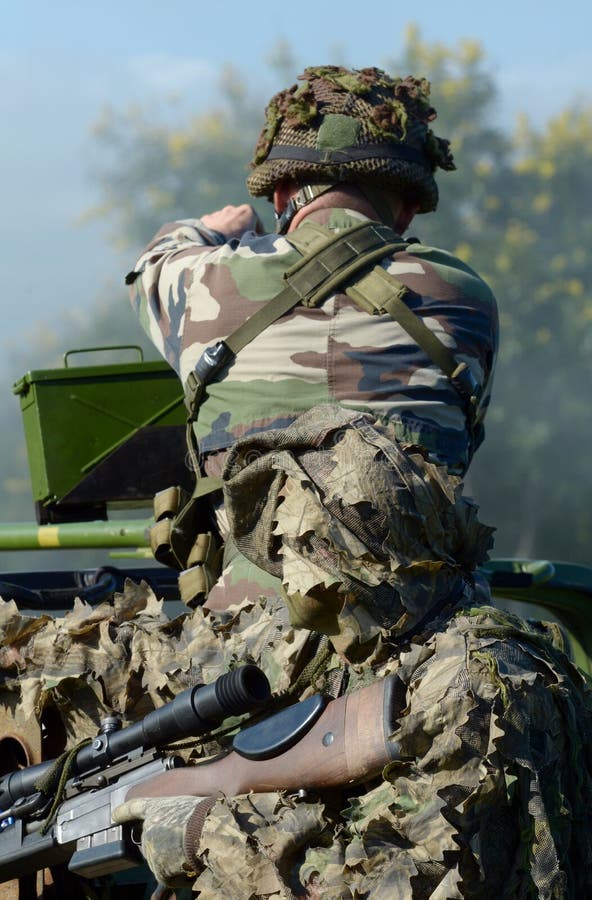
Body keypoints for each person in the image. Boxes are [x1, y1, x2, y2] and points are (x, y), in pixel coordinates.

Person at [124, 64, 498, 612]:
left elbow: (149, 268)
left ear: (281, 194)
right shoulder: (465, 296)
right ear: (408, 205)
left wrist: (212, 231)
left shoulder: (203, 281)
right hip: (427, 628)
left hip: (249, 632)